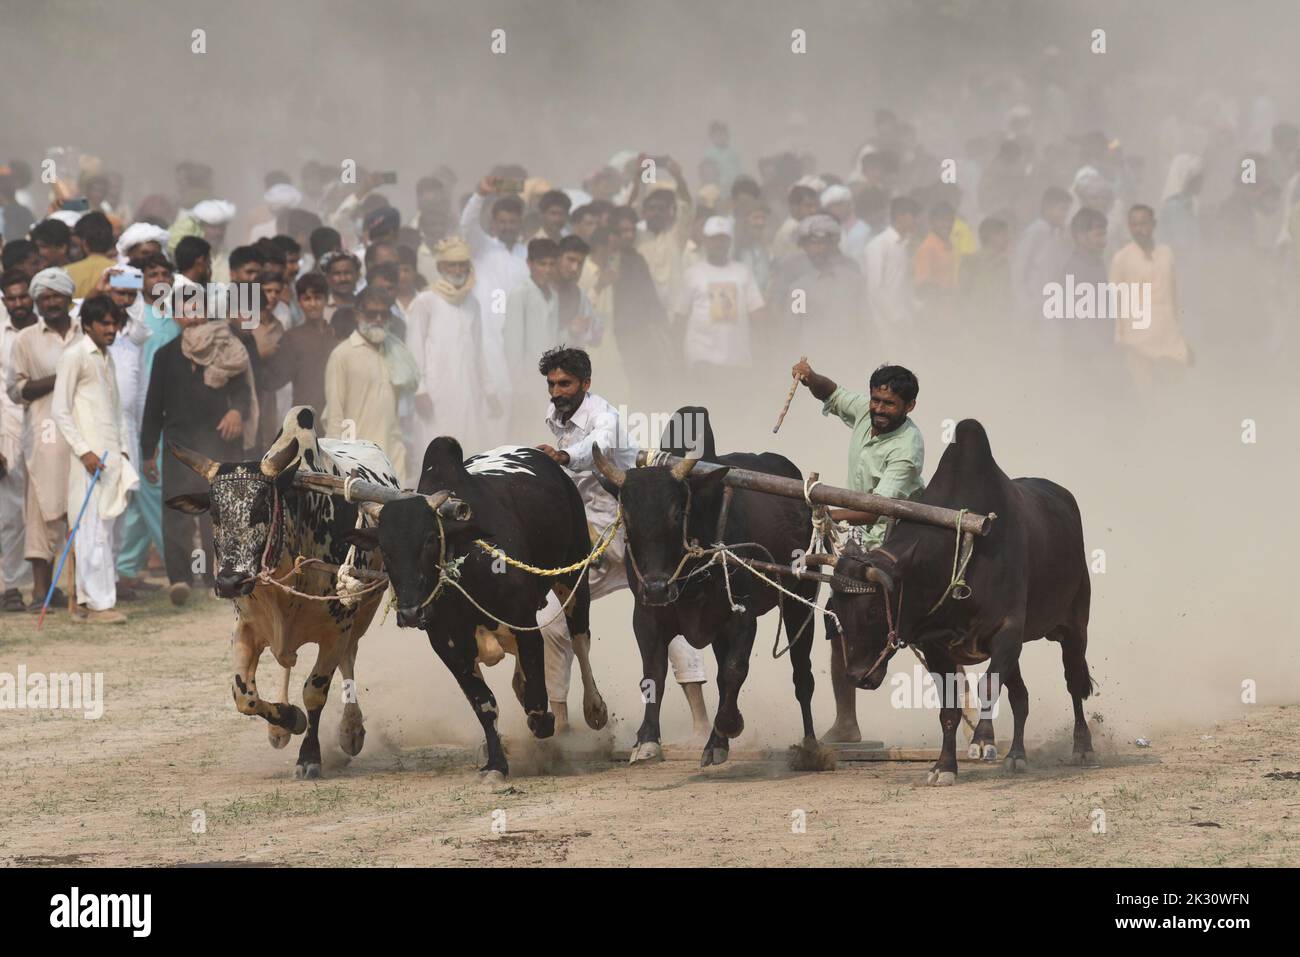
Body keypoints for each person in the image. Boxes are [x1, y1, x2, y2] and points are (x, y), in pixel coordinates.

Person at [533, 346, 710, 738]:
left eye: (565, 384)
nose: (557, 391)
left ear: (586, 384)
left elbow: (594, 451)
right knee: (550, 617)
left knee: (666, 615)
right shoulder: (554, 415)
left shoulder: (605, 416)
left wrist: (561, 456)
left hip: (630, 530)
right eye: (552, 384)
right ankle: (561, 726)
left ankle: (700, 721)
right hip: (585, 537)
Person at [790, 359, 925, 743]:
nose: (879, 410)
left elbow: (876, 509)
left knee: (923, 631)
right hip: (858, 547)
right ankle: (846, 723)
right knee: (839, 627)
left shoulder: (908, 447)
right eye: (876, 401)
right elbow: (832, 393)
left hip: (900, 544)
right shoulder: (867, 414)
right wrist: (811, 377)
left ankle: (967, 714)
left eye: (890, 405)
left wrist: (822, 511)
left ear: (909, 407)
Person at [140, 292, 255, 605]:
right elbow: (153, 405)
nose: (192, 315)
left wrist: (236, 413)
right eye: (184, 310)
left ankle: (216, 576)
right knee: (177, 509)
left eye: (198, 308)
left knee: (216, 512)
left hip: (219, 443)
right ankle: (180, 579)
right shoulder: (165, 355)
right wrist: (148, 450)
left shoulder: (227, 348)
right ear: (175, 316)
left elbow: (243, 392)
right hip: (178, 445)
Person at [52, 295, 139, 623]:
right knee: (90, 530)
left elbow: (116, 411)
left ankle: (90, 602)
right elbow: (60, 410)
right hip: (87, 459)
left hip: (111, 457)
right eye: (104, 322)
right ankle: (97, 605)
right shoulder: (75, 356)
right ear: (87, 324)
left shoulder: (107, 358)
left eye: (115, 322)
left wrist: (123, 448)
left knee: (107, 529)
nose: (112, 329)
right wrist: (84, 450)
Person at [7, 267, 82, 612]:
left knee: (81, 511)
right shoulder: (26, 339)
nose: (51, 302)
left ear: (69, 298)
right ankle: (41, 592)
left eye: (57, 296)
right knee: (40, 512)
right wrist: (59, 377)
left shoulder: (87, 332)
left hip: (83, 434)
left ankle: (81, 590)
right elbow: (17, 389)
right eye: (45, 297)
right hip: (44, 434)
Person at [115, 254, 177, 594]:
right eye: (153, 273)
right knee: (154, 489)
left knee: (142, 495)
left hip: (167, 412)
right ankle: (177, 560)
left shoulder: (174, 317)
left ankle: (124, 566)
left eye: (165, 273)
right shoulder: (137, 315)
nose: (160, 278)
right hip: (140, 413)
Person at [405, 236, 497, 454]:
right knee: (437, 450)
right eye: (452, 264)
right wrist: (420, 390)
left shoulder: (472, 302)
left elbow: (478, 351)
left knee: (469, 449)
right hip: (436, 393)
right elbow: (414, 349)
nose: (457, 270)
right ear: (440, 267)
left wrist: (489, 389)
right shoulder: (425, 301)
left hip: (469, 390)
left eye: (462, 264)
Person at [322, 285, 419, 483]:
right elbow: (335, 414)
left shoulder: (395, 351)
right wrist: (338, 459)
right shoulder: (343, 354)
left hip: (393, 451)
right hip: (357, 456)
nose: (378, 320)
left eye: (384, 315)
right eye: (372, 314)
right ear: (358, 315)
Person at [673, 216, 766, 382]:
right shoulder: (692, 274)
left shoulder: (742, 272)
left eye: (723, 240)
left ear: (729, 242)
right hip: (702, 360)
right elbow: (680, 317)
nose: (719, 244)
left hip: (738, 361)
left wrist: (767, 349)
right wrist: (677, 358)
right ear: (705, 241)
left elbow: (757, 314)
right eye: (714, 239)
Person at [1110, 204, 1188, 389]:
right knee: (1146, 396)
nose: (1139, 229)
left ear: (1153, 224)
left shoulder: (1167, 254)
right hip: (1137, 343)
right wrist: (1120, 339)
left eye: (1143, 224)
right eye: (1134, 225)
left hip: (1168, 338)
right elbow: (1116, 302)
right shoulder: (1121, 259)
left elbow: (1174, 293)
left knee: (1174, 394)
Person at [0, 268, 36, 610]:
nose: (18, 303)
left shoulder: (51, 332)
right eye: (11, 298)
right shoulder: (2, 334)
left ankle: (45, 587)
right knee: (10, 515)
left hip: (47, 430)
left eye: (23, 296)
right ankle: (11, 588)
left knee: (47, 513)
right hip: (7, 433)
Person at [503, 238, 561, 430]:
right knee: (525, 436)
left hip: (550, 382)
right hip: (526, 382)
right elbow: (513, 346)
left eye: (551, 264)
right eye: (542, 264)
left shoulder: (554, 295)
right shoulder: (520, 294)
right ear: (529, 264)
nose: (547, 269)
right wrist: (520, 389)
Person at [270, 272, 338, 414]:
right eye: (307, 299)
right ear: (299, 302)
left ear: (326, 300)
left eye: (318, 298)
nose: (313, 304)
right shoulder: (292, 338)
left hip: (335, 412)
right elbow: (276, 378)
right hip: (305, 412)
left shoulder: (336, 335)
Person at [864, 196, 920, 347]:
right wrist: (894, 317)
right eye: (914, 216)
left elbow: (903, 283)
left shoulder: (904, 245)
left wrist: (916, 307)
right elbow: (875, 288)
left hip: (904, 319)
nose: (917, 221)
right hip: (884, 324)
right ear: (901, 216)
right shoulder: (878, 245)